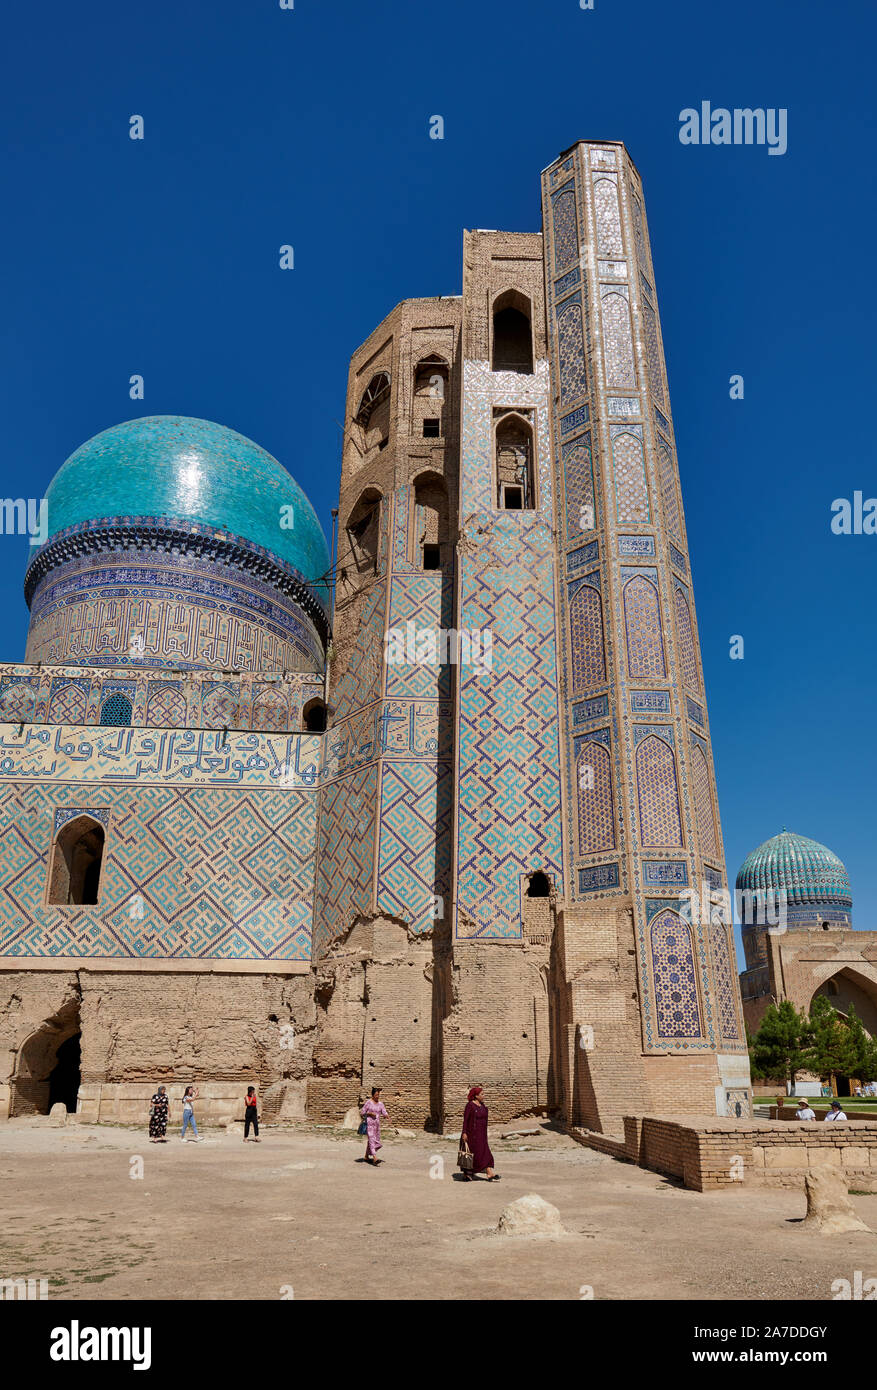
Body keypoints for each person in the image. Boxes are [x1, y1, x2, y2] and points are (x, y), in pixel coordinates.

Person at [460, 1085, 500, 1181]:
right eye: (482, 1094)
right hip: (471, 1135)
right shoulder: (470, 1105)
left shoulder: (483, 1106)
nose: (484, 1096)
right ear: (476, 1096)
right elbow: (466, 1120)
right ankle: (468, 1173)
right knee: (471, 1154)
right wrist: (464, 1132)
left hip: (481, 1134)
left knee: (485, 1153)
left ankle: (489, 1173)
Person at [360, 1087, 389, 1165]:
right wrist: (369, 1113)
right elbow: (362, 1112)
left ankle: (366, 1156)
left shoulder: (381, 1104)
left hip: (376, 1126)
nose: (377, 1096)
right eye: (376, 1095)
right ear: (372, 1095)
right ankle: (375, 1158)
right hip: (369, 1125)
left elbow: (384, 1112)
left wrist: (387, 1117)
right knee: (372, 1140)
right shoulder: (368, 1102)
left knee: (374, 1140)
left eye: (378, 1095)